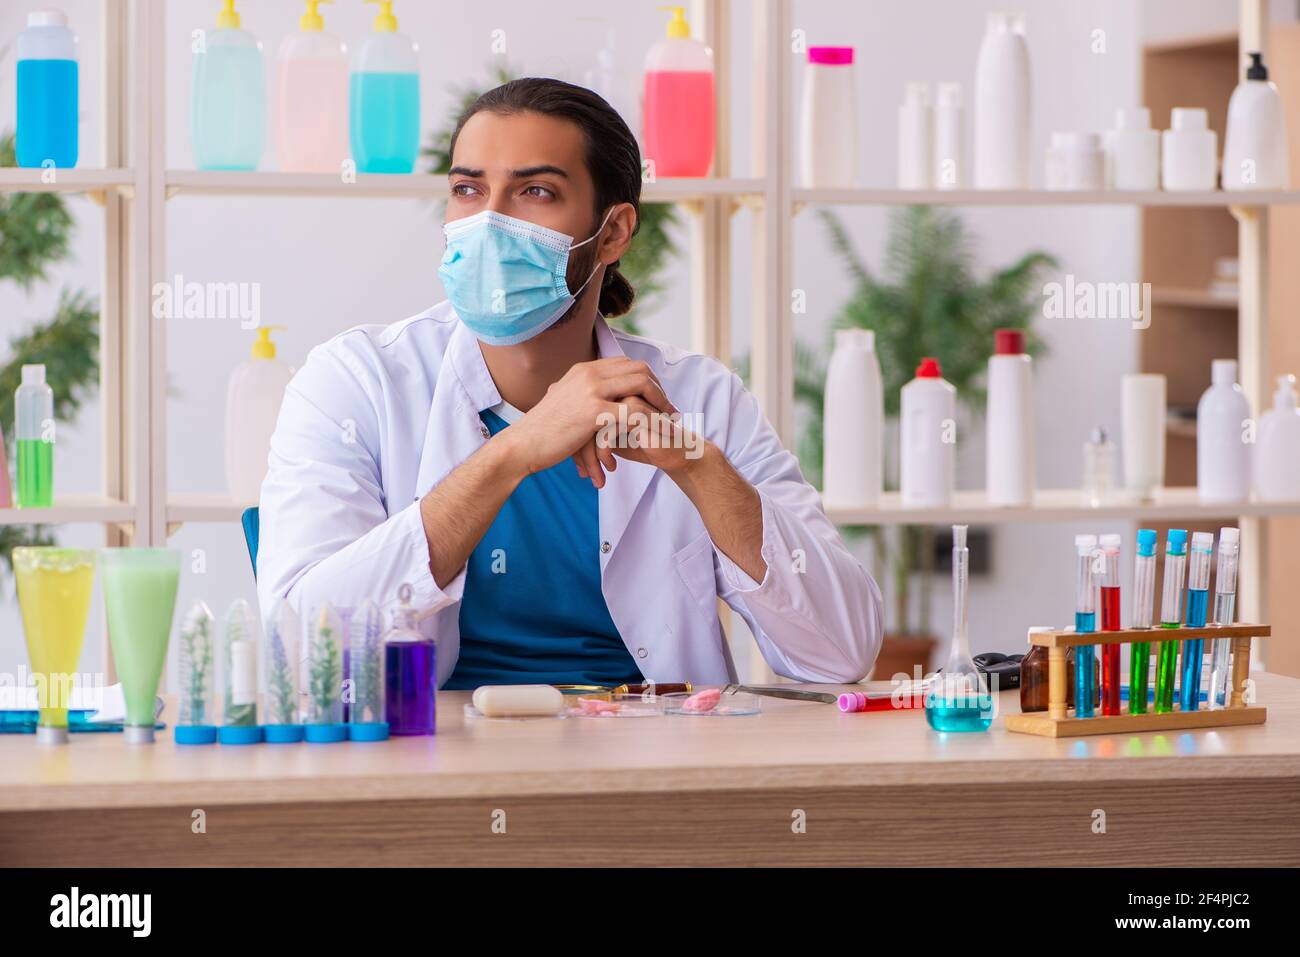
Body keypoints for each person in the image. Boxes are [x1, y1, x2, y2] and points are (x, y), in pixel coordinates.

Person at [258, 77, 883, 688]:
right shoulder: (356, 382)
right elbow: (299, 646)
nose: (490, 222)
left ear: (611, 232)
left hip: (652, 762)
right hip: (432, 758)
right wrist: (512, 454)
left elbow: (841, 654)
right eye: (469, 190)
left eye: (534, 191)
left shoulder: (700, 398)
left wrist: (698, 467)